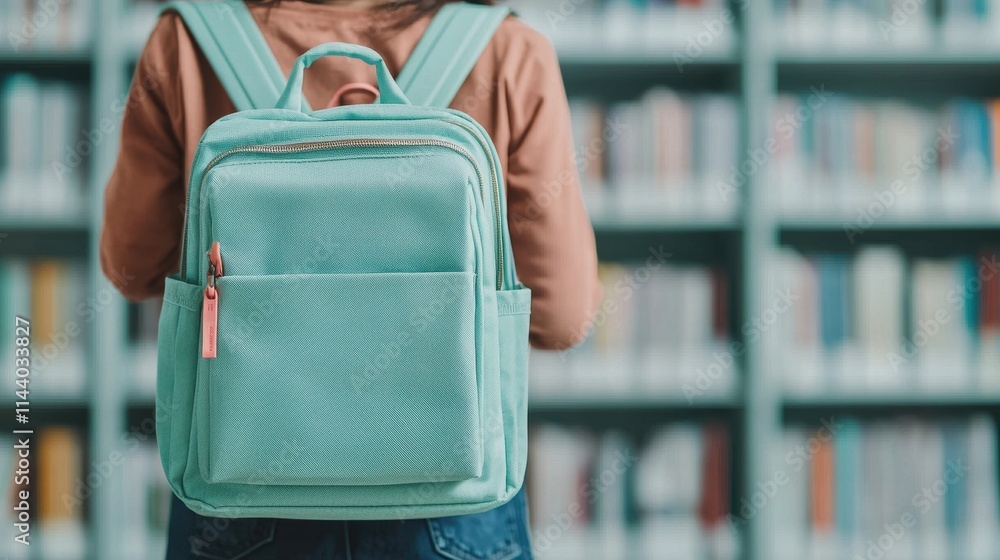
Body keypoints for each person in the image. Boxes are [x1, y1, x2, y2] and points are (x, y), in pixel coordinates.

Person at [100, 0, 602, 558]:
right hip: (450, 500)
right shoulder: (510, 49)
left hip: (242, 495)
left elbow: (131, 267)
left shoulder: (184, 39)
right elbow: (563, 318)